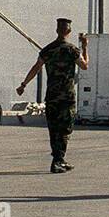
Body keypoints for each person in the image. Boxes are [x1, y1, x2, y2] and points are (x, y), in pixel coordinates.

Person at [17, 18, 89, 173]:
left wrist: (23, 84)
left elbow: (36, 68)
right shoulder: (72, 50)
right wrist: (85, 46)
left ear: (57, 30)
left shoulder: (48, 50)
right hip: (67, 97)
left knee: (54, 128)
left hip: (52, 96)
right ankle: (58, 160)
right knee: (65, 128)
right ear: (68, 31)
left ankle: (59, 158)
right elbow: (84, 66)